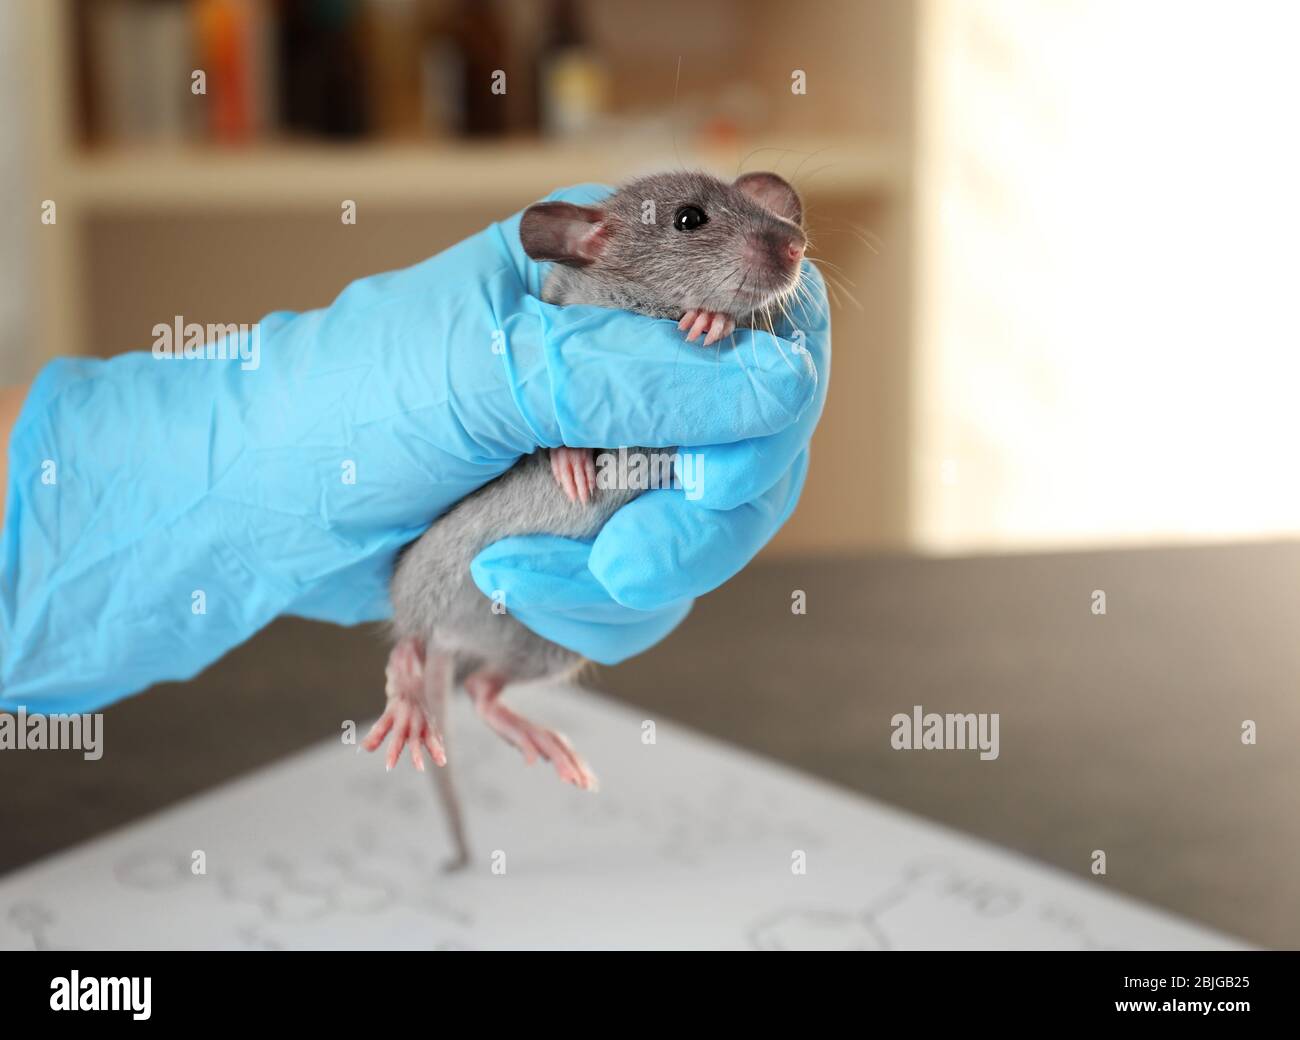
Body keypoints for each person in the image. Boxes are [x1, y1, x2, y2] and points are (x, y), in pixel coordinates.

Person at [0, 185, 829, 713]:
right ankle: (447, 672)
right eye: (693, 221)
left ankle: (483, 682)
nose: (779, 243)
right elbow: (572, 314)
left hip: (520, 555)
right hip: (497, 521)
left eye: (771, 225)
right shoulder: (573, 288)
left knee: (593, 593)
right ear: (592, 237)